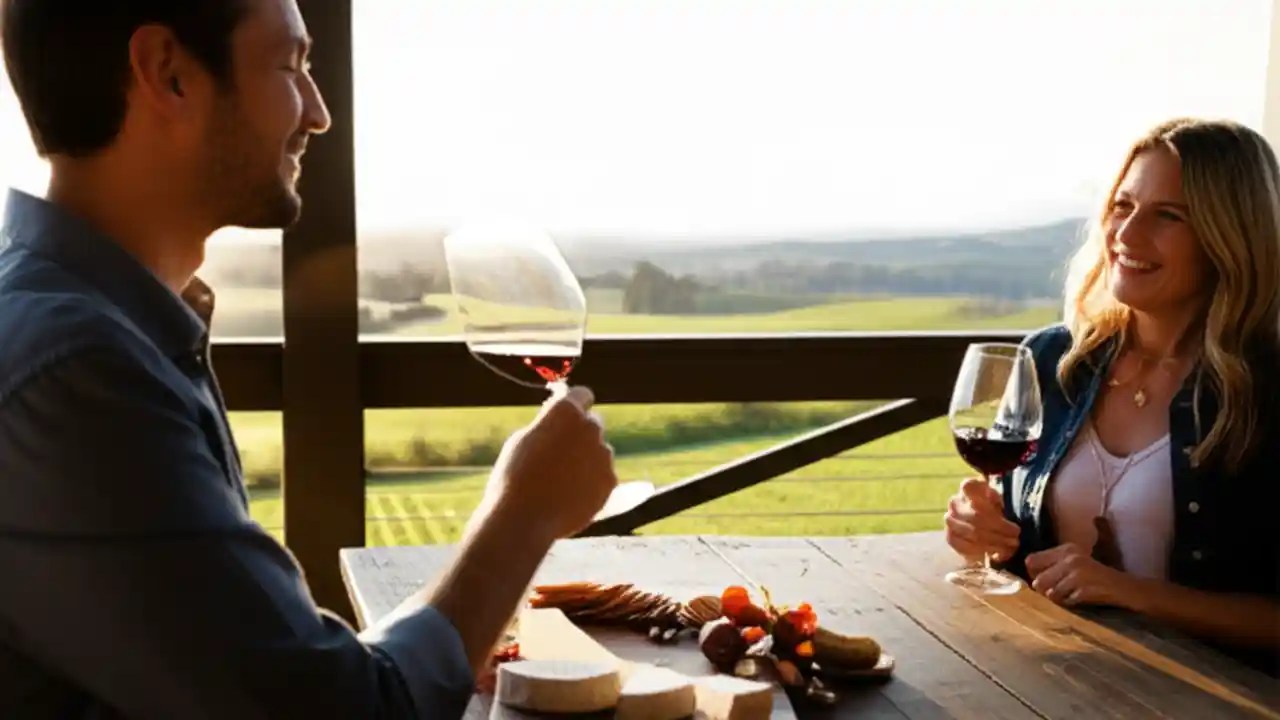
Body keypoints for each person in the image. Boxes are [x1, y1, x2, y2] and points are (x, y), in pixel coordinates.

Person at [0, 1, 618, 717]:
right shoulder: (80, 374)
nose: (319, 113)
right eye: (291, 65)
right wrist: (522, 514)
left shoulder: (90, 328)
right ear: (169, 74)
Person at [944, 117, 1280, 672]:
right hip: (1048, 680)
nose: (1126, 235)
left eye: (1168, 216)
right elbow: (1009, 531)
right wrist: (980, 530)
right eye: (1123, 207)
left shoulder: (1264, 396)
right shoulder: (1052, 361)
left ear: (1231, 236)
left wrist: (1128, 591)